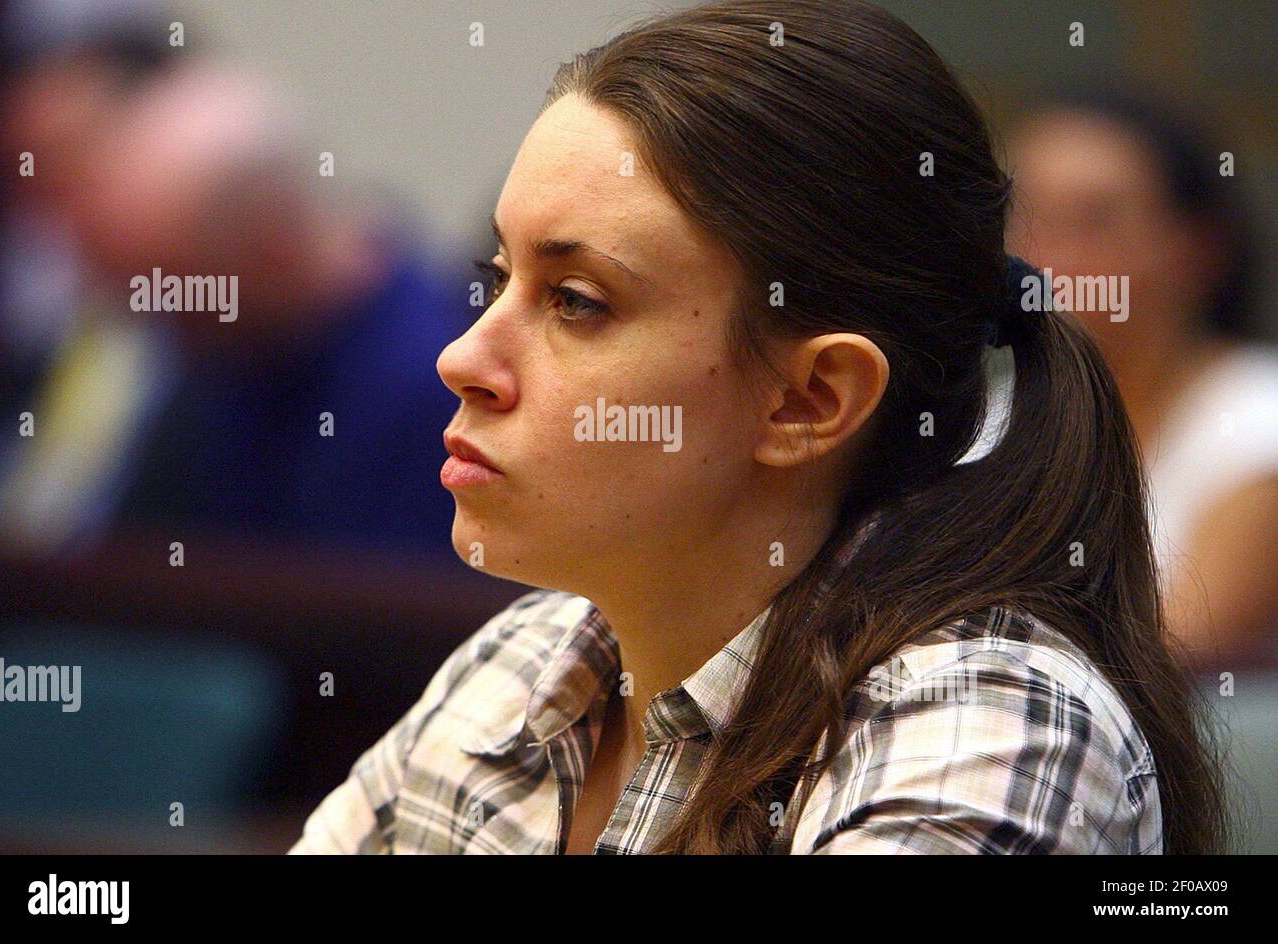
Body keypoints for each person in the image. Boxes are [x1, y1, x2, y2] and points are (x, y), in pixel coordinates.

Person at [292, 0, 1227, 855]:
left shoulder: (991, 728)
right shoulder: (520, 665)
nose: (460, 358)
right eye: (501, 281)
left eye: (576, 301)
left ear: (810, 399)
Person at [1008, 90, 1278, 668]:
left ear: (1199, 247)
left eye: (1095, 221)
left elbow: (1180, 642)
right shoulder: (992, 414)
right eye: (1028, 219)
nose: (1049, 259)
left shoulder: (1258, 417)